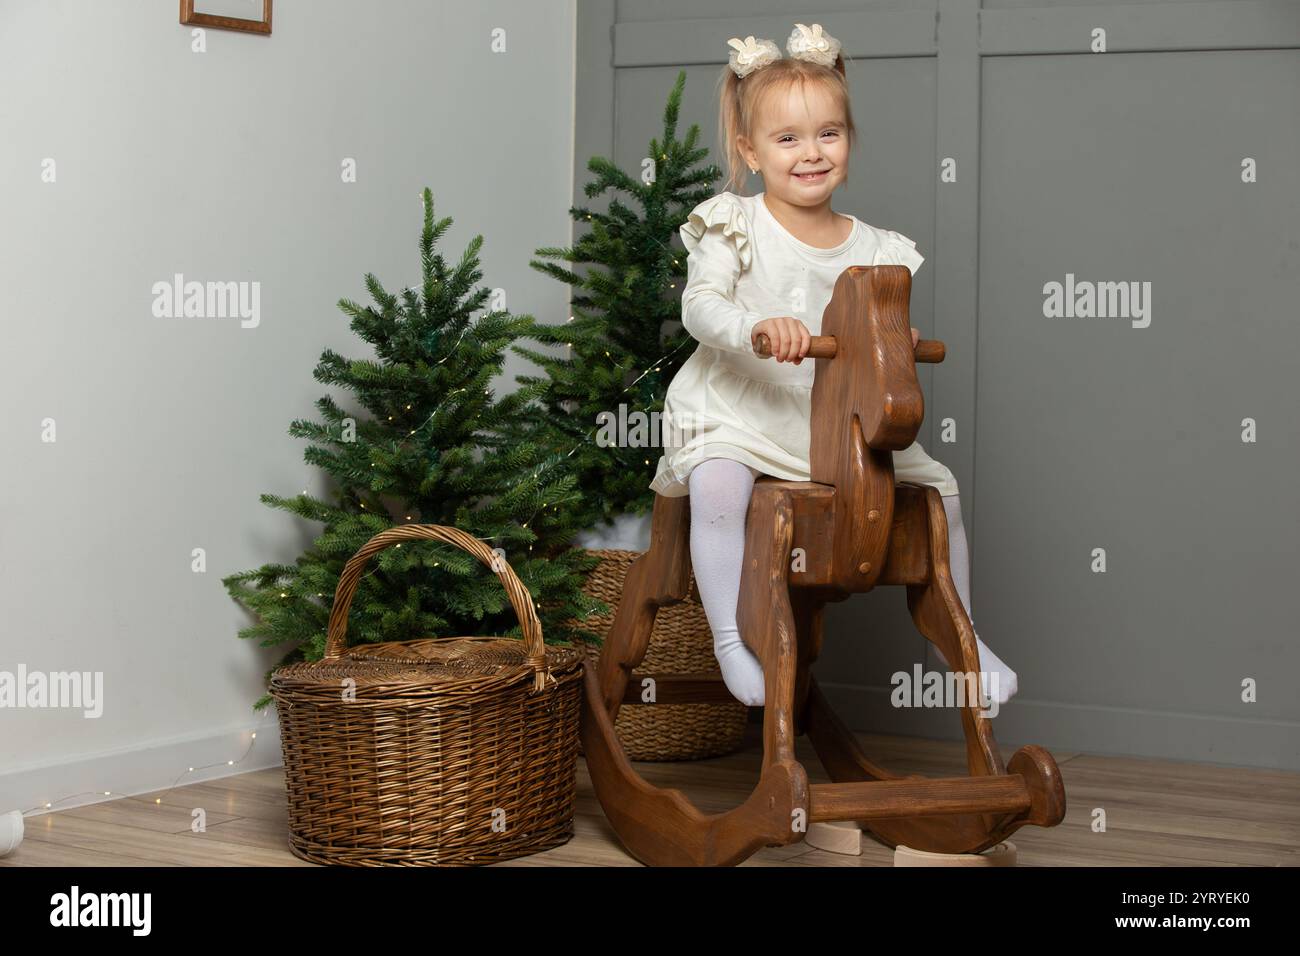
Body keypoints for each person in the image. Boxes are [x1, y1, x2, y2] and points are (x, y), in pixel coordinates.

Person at [649, 22, 1017, 708]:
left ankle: (959, 643)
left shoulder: (874, 246)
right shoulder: (735, 221)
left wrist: (892, 339)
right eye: (787, 139)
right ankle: (731, 639)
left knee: (942, 499)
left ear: (848, 140)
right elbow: (699, 307)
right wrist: (756, 327)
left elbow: (874, 327)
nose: (811, 153)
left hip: (834, 422)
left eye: (829, 134)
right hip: (744, 404)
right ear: (750, 151)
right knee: (720, 489)